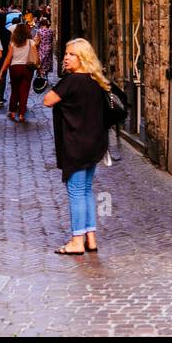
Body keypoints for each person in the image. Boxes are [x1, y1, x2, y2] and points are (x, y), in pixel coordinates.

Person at [43, 38, 111, 255]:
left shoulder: (71, 81)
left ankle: (76, 240)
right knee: (86, 191)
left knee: (75, 192)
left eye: (71, 54)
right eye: (65, 54)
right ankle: (91, 237)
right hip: (94, 144)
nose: (65, 57)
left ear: (82, 57)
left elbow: (47, 100)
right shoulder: (96, 80)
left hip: (76, 145)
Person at [0, 22, 40, 122]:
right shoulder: (31, 42)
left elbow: (8, 58)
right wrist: (39, 68)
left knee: (15, 91)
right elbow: (36, 56)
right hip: (27, 68)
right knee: (24, 92)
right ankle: (21, 114)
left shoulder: (13, 43)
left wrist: (2, 70)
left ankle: (12, 112)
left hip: (15, 68)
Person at [34, 15, 55, 81]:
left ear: (41, 24)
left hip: (42, 48)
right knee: (47, 61)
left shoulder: (39, 31)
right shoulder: (50, 31)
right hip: (49, 48)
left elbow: (37, 41)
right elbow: (51, 40)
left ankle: (41, 75)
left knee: (41, 62)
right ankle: (45, 74)